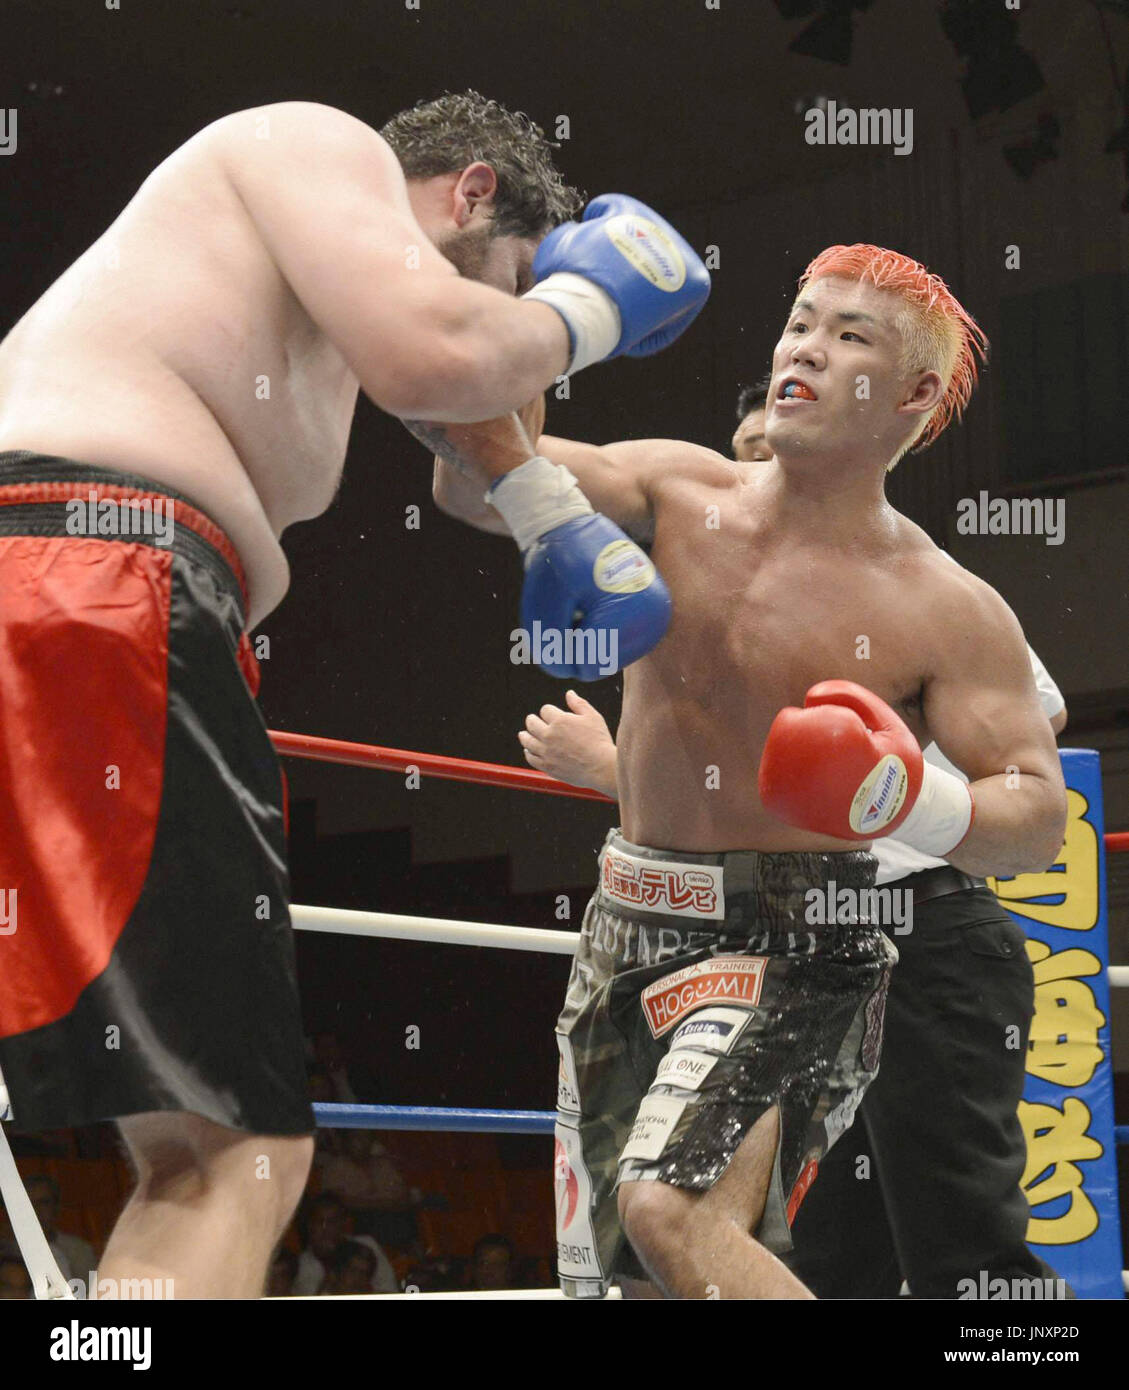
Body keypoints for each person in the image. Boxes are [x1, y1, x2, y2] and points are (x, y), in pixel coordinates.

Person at [0, 92, 707, 1298]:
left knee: (177, 1137)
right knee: (233, 1152)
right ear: (470, 192)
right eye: (510, 283)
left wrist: (547, 513)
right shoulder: (315, 143)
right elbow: (447, 350)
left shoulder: (295, 306)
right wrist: (589, 303)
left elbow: (471, 437)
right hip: (95, 585)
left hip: (66, 594)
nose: (511, 324)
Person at [427, 243, 1067, 1299]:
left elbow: (1034, 816)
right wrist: (538, 318)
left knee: (673, 1207)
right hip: (624, 919)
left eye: (849, 335)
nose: (806, 348)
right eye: (800, 320)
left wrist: (913, 794)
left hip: (795, 938)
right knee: (633, 1275)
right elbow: (469, 480)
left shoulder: (945, 604)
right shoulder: (673, 488)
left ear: (913, 394)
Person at [293, 1192, 397, 1296]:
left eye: (332, 1221)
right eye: (319, 1221)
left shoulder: (367, 1244)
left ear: (343, 1223)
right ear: (309, 1226)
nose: (325, 1228)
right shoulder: (301, 1266)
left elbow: (390, 1291)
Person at [23, 1174, 97, 1288]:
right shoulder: (5, 1250)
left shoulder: (79, 1250)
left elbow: (92, 1292)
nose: (35, 1210)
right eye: (28, 1204)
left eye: (43, 1203)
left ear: (56, 1207)